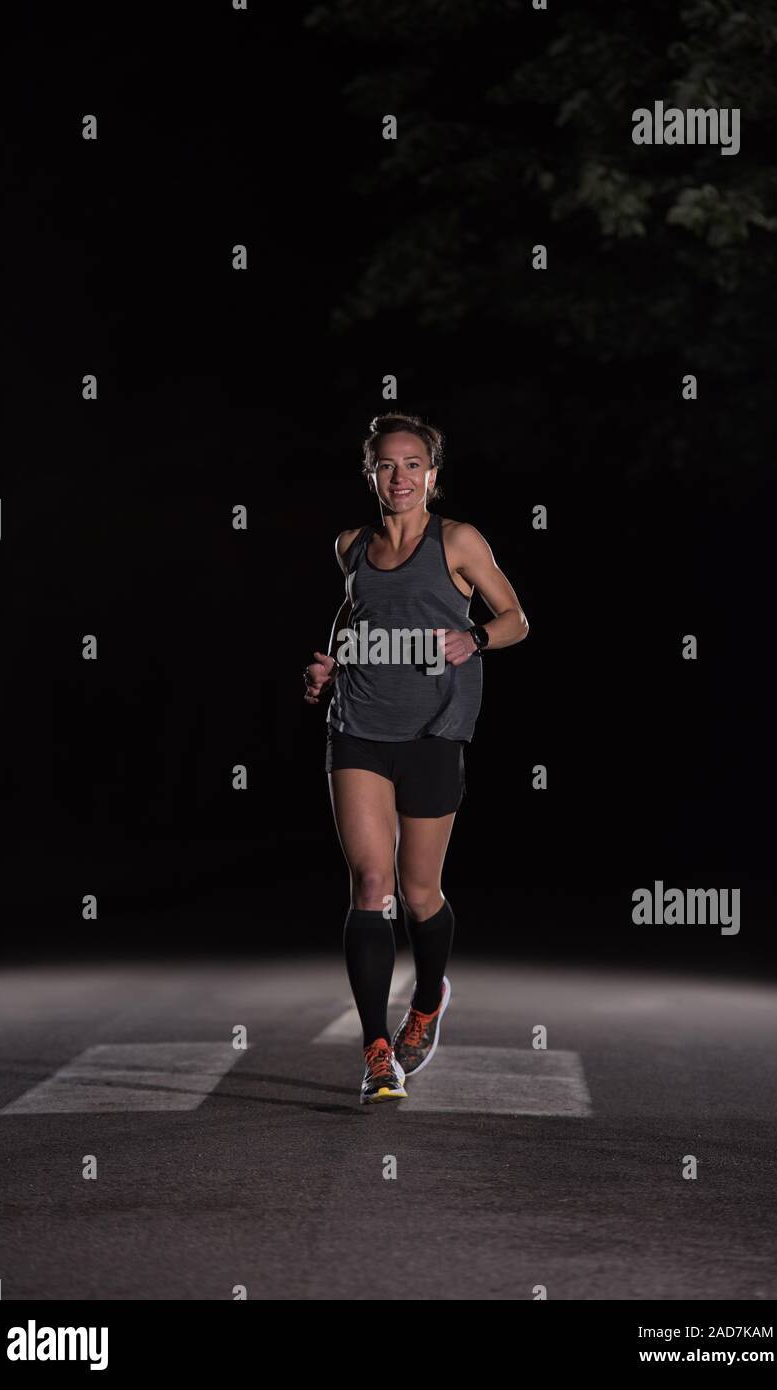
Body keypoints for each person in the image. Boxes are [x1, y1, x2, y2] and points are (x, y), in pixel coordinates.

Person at [304, 413, 529, 1103]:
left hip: (434, 734)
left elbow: (517, 618)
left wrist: (477, 640)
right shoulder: (349, 545)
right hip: (358, 730)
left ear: (431, 473)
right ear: (368, 472)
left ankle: (427, 1001)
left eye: (411, 464)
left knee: (420, 893)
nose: (398, 477)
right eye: (385, 464)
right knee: (371, 887)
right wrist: (329, 668)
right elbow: (353, 618)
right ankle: (376, 1053)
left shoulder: (457, 540)